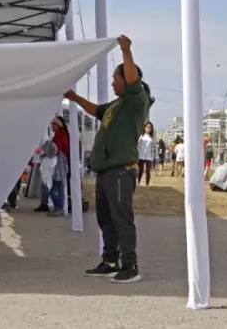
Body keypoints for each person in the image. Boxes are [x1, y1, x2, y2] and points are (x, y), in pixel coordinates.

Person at [65, 35, 152, 284]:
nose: (113, 83)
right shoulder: (117, 104)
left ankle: (130, 266)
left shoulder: (136, 100)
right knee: (105, 219)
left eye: (116, 79)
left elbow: (133, 79)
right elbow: (96, 111)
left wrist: (126, 51)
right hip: (106, 172)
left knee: (122, 219)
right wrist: (74, 98)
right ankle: (111, 261)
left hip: (120, 172)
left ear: (128, 80)